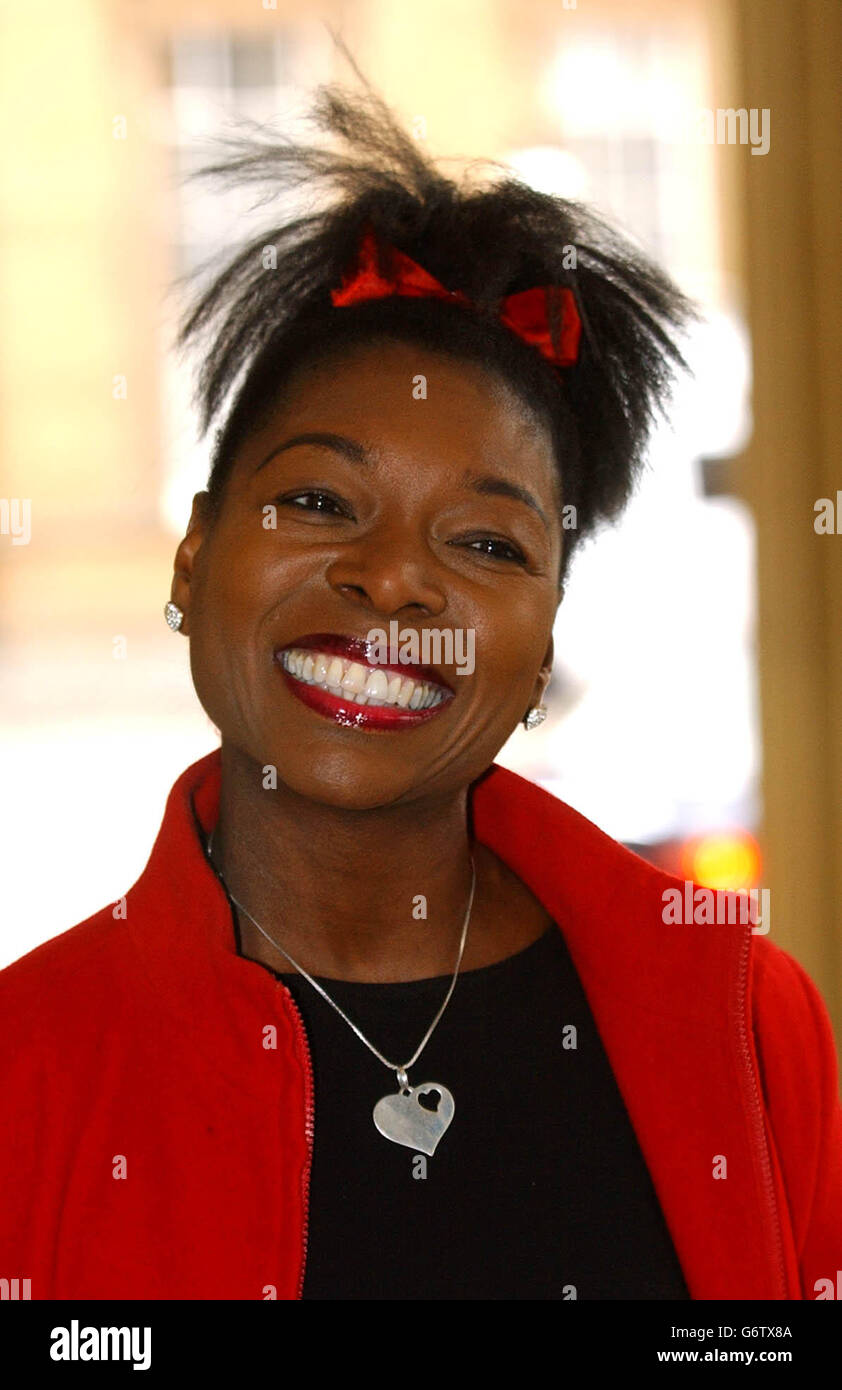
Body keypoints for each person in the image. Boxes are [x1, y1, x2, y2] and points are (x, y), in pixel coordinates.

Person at [1, 61, 840, 1303]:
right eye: (318, 501)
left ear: (544, 637)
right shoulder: (31, 1069)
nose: (392, 581)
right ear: (194, 553)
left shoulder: (738, 1018)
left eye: (486, 543)